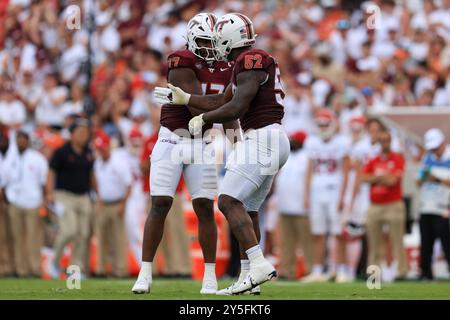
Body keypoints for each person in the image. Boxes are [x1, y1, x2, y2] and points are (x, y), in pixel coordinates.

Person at [155, 13, 290, 294]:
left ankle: (259, 263)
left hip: (262, 137)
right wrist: (187, 99)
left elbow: (237, 106)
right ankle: (248, 279)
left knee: (227, 201)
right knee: (248, 208)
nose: (216, 46)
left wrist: (204, 120)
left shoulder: (249, 60)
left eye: (219, 39)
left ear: (230, 38)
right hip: (271, 138)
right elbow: (221, 100)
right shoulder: (246, 63)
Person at [132, 13, 238, 295]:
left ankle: (210, 276)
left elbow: (227, 115)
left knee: (205, 207)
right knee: (161, 204)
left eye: (214, 42)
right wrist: (227, 103)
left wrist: (237, 145)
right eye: (205, 42)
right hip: (172, 140)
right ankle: (145, 272)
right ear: (191, 39)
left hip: (202, 142)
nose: (211, 48)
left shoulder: (228, 66)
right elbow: (197, 108)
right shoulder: (181, 61)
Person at [302, 109, 351, 283]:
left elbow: (346, 172)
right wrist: (306, 194)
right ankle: (317, 270)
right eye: (320, 124)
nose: (323, 127)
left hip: (335, 189)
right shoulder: (312, 141)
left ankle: (342, 270)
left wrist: (343, 196)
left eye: (325, 124)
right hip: (317, 190)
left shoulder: (342, 142)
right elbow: (309, 170)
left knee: (339, 232)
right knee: (318, 232)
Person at [47, 117, 96, 278]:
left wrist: (97, 193)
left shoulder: (88, 153)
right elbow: (51, 172)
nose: (84, 135)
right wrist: (49, 193)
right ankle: (54, 262)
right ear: (72, 134)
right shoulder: (61, 152)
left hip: (83, 196)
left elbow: (91, 174)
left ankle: (75, 270)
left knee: (83, 233)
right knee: (69, 231)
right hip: (64, 195)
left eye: (86, 132)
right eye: (80, 132)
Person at [362, 130, 408, 280]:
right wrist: (382, 177)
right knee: (374, 243)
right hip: (375, 205)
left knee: (397, 240)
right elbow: (364, 178)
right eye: (381, 141)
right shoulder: (373, 159)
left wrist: (376, 178)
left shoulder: (398, 158)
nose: (384, 144)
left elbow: (393, 180)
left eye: (386, 140)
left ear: (390, 141)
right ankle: (374, 274)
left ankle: (401, 272)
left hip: (393, 204)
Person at [1, 131, 48, 277]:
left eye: (23, 139)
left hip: (33, 202)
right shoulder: (10, 158)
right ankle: (20, 269)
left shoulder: (37, 159)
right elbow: (5, 180)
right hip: (15, 202)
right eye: (19, 140)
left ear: (27, 141)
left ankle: (34, 268)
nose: (21, 142)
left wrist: (44, 201)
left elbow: (44, 182)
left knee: (33, 238)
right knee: (16, 237)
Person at [275, 130, 313, 279]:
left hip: (301, 207)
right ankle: (287, 271)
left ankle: (309, 271)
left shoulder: (307, 157)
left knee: (305, 241)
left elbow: (309, 180)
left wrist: (307, 199)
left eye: (294, 140)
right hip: (284, 204)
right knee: (286, 242)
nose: (292, 142)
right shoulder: (287, 156)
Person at [93, 131, 132, 278]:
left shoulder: (119, 163)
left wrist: (123, 204)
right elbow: (96, 181)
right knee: (101, 238)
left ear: (108, 147)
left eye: (102, 148)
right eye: (99, 148)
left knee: (118, 238)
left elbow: (128, 185)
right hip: (103, 203)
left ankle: (120, 270)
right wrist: (98, 198)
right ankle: (100, 269)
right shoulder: (98, 163)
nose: (100, 151)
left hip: (117, 203)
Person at [417, 128, 450, 280]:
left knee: (447, 242)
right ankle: (426, 274)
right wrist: (426, 176)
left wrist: (435, 178)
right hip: (427, 205)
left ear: (443, 143)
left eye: (436, 147)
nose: (434, 151)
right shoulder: (427, 158)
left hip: (445, 207)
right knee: (426, 243)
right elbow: (418, 181)